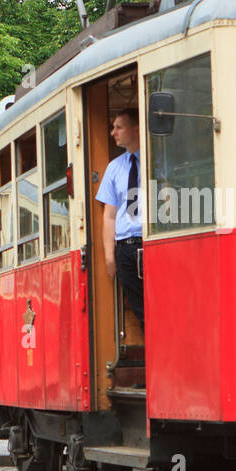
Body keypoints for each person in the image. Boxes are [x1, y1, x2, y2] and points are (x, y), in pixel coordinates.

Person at [97, 107, 145, 325]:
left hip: (150, 241)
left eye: (118, 127)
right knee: (138, 307)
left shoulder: (156, 160)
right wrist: (110, 256)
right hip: (124, 248)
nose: (113, 133)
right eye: (112, 128)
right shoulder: (114, 168)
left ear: (135, 129)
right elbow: (109, 215)